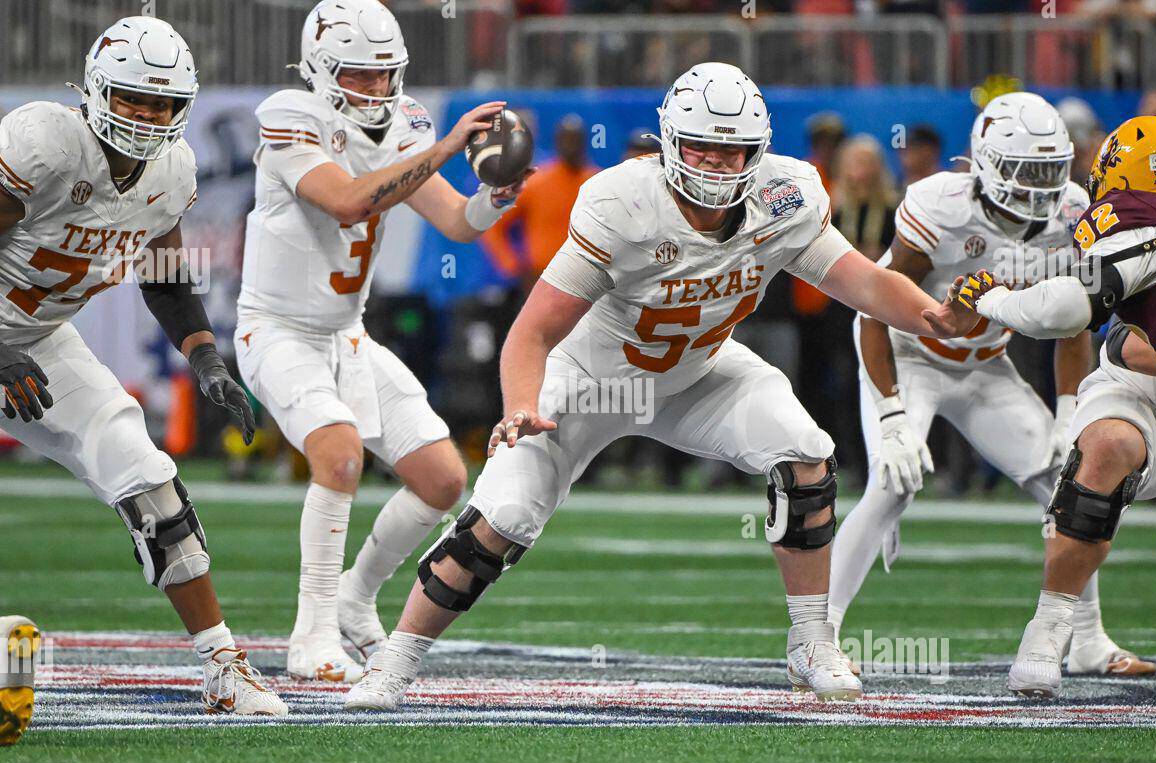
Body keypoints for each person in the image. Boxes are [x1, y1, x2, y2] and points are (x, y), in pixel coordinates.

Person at [343, 62, 979, 712]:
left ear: (757, 150)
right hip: (589, 381)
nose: (717, 162)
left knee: (806, 454)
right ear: (670, 141)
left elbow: (863, 282)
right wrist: (521, 405)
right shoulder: (622, 203)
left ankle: (811, 640)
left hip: (698, 374)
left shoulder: (785, 196)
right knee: (498, 521)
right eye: (702, 144)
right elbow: (530, 333)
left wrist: (930, 313)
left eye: (732, 149)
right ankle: (393, 663)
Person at [0, 16, 286, 722]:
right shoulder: (43, 143)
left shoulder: (171, 172)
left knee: (150, 480)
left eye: (161, 104)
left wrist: (206, 357)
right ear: (96, 90)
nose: (147, 115)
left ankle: (222, 664)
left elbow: (163, 276)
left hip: (36, 342)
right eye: (132, 98)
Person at [235, 0, 527, 683]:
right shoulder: (292, 116)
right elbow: (348, 201)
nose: (374, 90)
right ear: (319, 70)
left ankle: (358, 595)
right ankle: (310, 633)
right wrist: (448, 147)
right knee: (338, 457)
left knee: (443, 478)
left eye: (383, 74)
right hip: (277, 330)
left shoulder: (406, 124)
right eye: (358, 76)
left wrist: (494, 195)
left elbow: (455, 222)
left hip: (348, 335)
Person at [828, 93, 1152, 679]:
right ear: (985, 162)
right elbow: (870, 311)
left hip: (985, 367)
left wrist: (1068, 414)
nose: (1039, 184)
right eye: (1025, 169)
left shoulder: (1074, 210)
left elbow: (1072, 321)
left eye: (1050, 169)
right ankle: (819, 636)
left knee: (1070, 486)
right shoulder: (939, 206)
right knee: (892, 484)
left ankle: (1086, 641)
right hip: (912, 359)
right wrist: (893, 417)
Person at [959, 115, 1156, 696]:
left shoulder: (1150, 217)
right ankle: (1049, 630)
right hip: (1141, 395)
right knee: (1107, 450)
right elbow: (1082, 307)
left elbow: (1069, 310)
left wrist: (989, 298)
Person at [482, 114, 599, 292]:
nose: (570, 145)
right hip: (541, 279)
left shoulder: (597, 182)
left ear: (584, 142)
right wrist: (512, 265)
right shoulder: (537, 182)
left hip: (588, 280)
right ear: (557, 142)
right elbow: (492, 222)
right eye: (566, 139)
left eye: (575, 139)